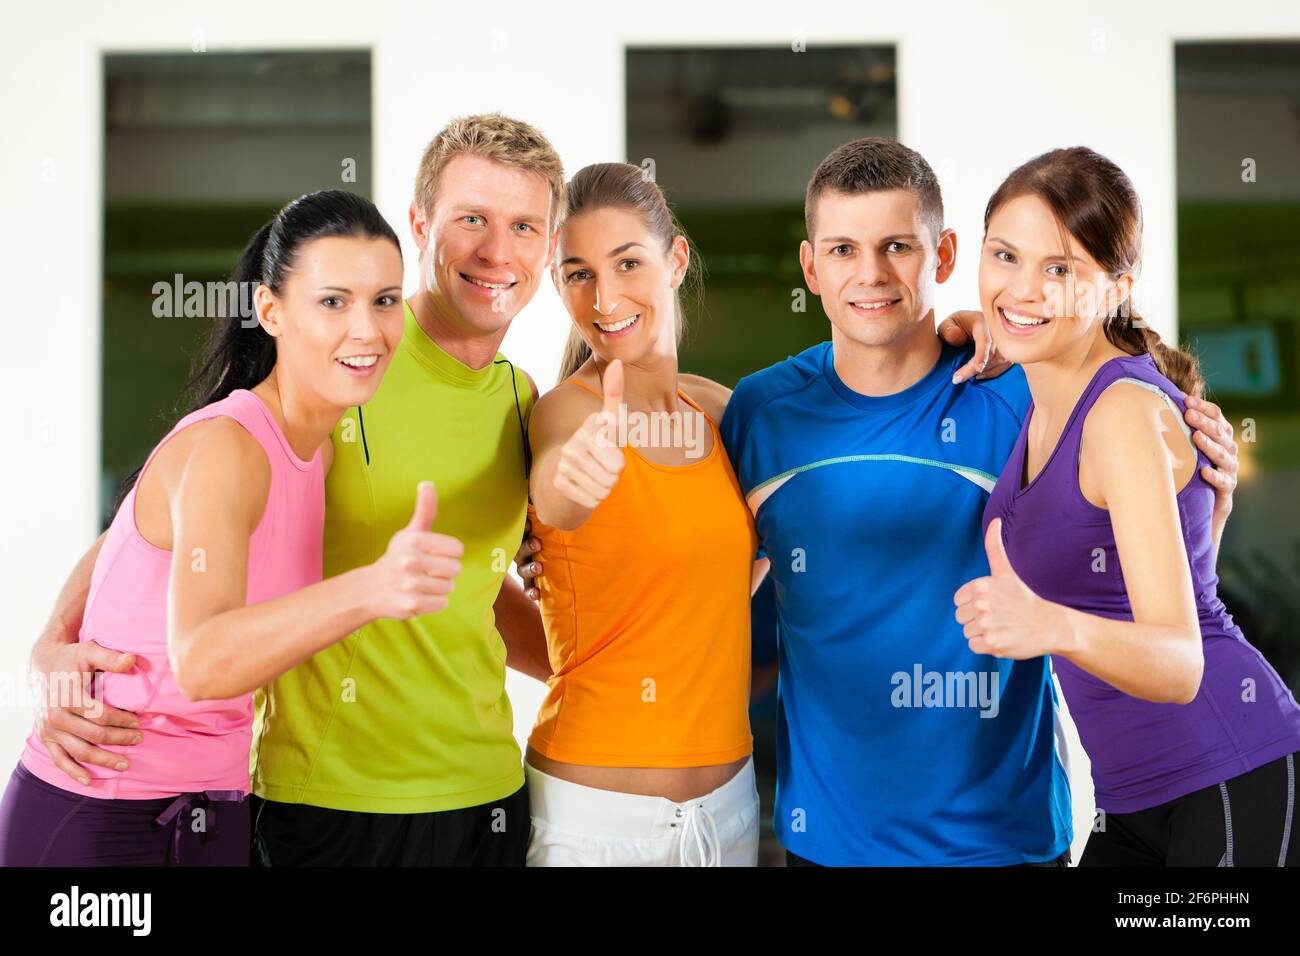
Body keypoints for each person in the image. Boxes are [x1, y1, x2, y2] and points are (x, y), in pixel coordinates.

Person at [24, 114, 559, 867]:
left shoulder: (521, 401)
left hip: (483, 797)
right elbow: (159, 515)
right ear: (420, 224)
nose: (496, 251)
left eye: (525, 226)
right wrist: (54, 645)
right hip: (324, 804)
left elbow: (468, 587)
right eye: (471, 218)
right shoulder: (339, 360)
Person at [716, 137, 1240, 866]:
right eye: (841, 250)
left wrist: (1206, 503)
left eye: (897, 245)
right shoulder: (761, 413)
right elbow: (709, 588)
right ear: (810, 265)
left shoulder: (1027, 398)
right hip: (824, 844)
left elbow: (1138, 585)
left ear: (945, 254)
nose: (870, 274)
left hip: (1006, 843)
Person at [960, 146, 1300, 866]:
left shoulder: (1116, 412)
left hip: (1227, 774)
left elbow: (1181, 664)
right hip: (1130, 797)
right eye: (1005, 255)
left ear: (1115, 290)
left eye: (1060, 270)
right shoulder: (1043, 391)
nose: (1023, 289)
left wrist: (1047, 624)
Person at [523, 162, 759, 866]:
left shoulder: (722, 414)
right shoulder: (567, 412)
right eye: (578, 273)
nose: (605, 295)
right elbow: (556, 488)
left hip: (730, 816)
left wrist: (966, 333)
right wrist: (571, 482)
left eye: (628, 262)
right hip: (594, 823)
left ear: (676, 259)